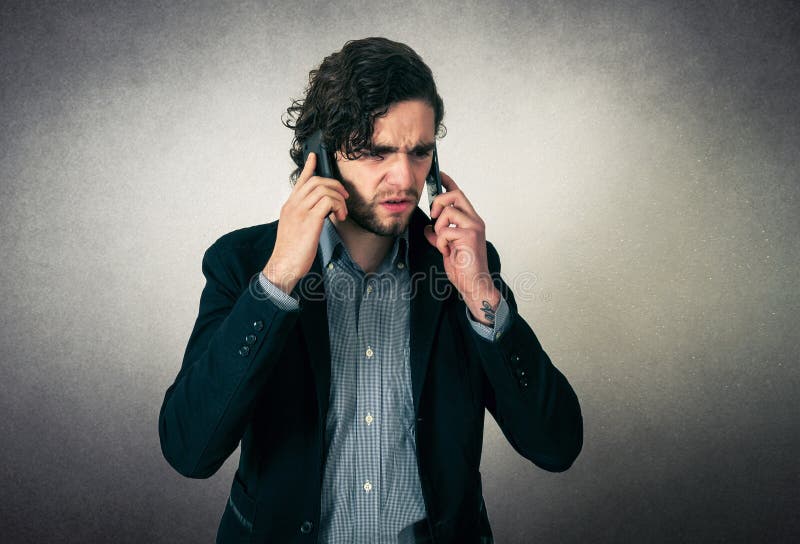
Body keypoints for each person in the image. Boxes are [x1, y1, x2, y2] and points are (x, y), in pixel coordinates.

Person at [158, 37, 582, 544]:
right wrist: (277, 283)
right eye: (377, 152)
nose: (403, 178)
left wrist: (482, 297)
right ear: (322, 154)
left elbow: (556, 446)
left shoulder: (463, 269)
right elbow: (189, 450)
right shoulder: (242, 264)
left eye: (420, 152)